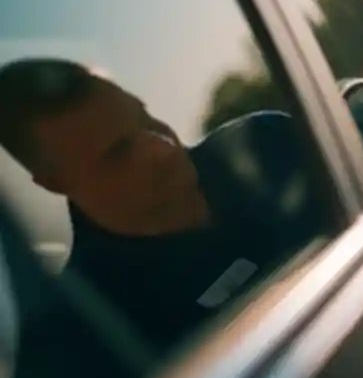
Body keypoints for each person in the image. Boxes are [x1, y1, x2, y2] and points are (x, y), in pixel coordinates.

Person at [0, 58, 320, 352]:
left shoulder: (270, 144)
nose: (164, 149)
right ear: (55, 183)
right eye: (119, 153)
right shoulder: (85, 336)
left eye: (147, 118)